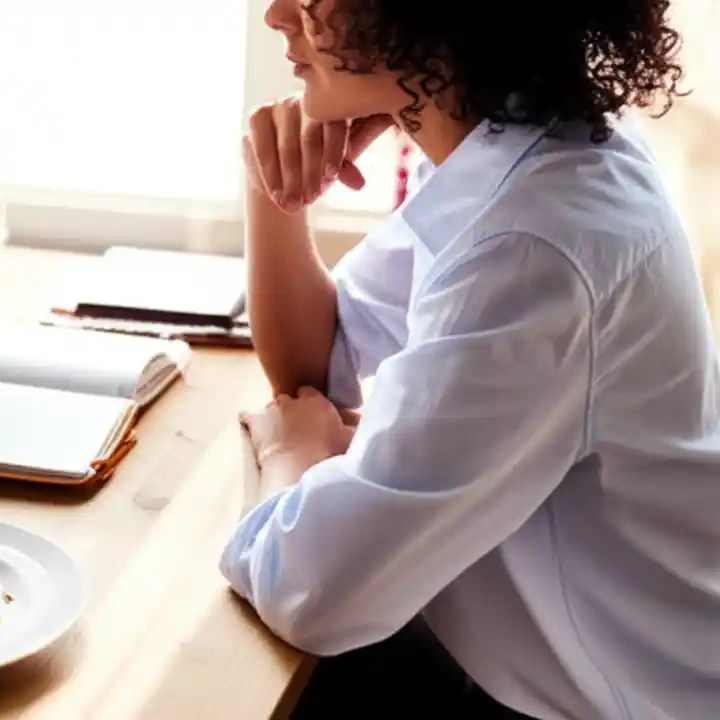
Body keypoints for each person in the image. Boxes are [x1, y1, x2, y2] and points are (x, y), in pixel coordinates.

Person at [218, 1, 720, 718]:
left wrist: (291, 455)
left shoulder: (534, 246)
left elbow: (318, 595)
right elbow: (319, 360)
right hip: (535, 664)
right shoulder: (514, 149)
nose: (275, 15)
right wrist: (275, 191)